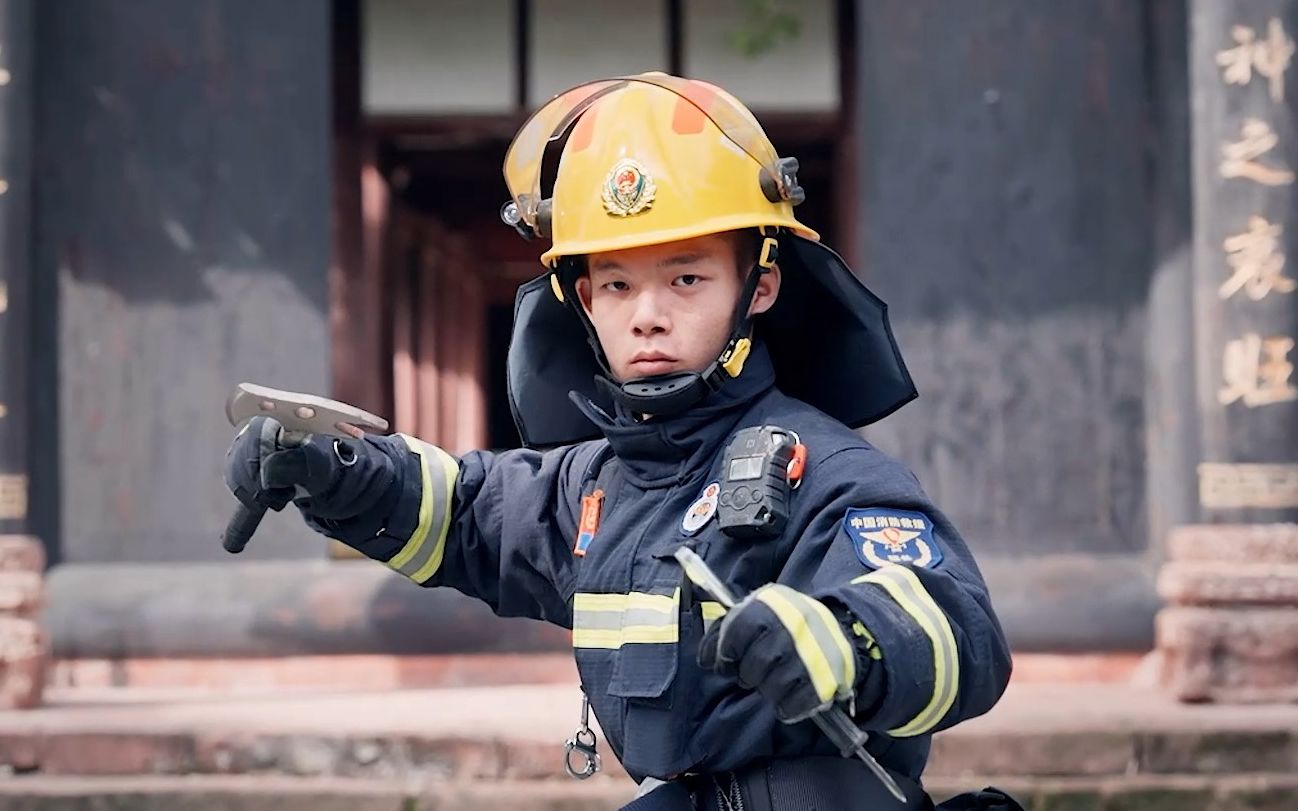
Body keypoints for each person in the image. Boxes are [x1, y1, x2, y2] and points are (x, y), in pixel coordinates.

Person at [224, 73, 1017, 810]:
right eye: (616, 283)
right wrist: (331, 467)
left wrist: (846, 640)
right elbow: (465, 513)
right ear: (581, 299)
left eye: (686, 278)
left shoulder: (826, 470)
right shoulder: (591, 487)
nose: (647, 315)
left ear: (761, 285)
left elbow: (963, 631)